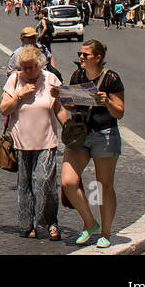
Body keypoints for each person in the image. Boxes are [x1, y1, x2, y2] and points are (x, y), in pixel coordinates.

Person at [60, 40, 125, 249]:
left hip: (104, 134)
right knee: (68, 182)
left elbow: (120, 112)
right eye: (80, 54)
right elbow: (72, 105)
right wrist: (61, 98)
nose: (81, 57)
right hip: (80, 134)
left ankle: (105, 233)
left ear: (98, 58)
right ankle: (89, 222)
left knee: (103, 184)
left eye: (85, 55)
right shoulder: (77, 76)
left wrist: (107, 102)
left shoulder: (111, 78)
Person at [0, 46, 65, 240]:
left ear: (40, 65)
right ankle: (28, 224)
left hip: (47, 140)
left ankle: (50, 222)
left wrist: (68, 125)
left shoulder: (50, 80)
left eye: (32, 68)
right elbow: (4, 109)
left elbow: (59, 108)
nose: (27, 72)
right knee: (25, 185)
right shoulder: (14, 80)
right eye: (24, 68)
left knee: (45, 182)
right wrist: (20, 96)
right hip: (21, 142)